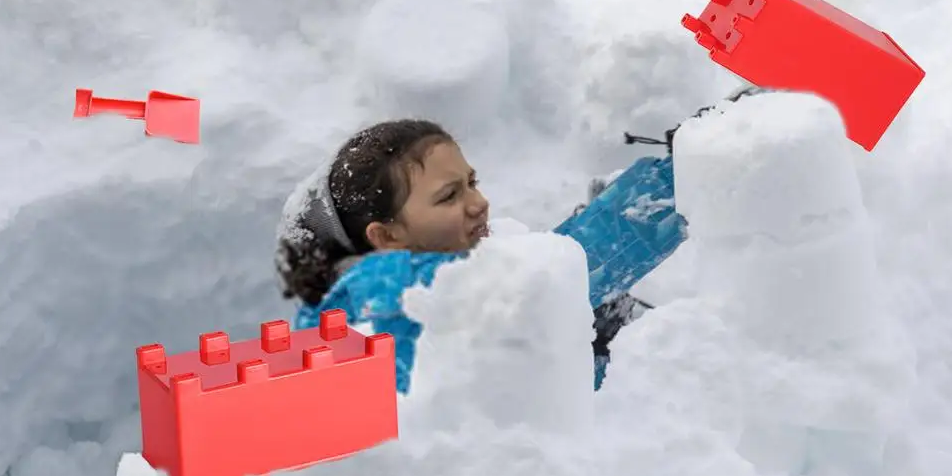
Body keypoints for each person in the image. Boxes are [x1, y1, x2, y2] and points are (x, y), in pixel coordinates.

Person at [274, 116, 689, 394]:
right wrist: (686, 173)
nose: (479, 203)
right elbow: (581, 258)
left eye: (472, 183)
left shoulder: (380, 298)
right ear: (386, 235)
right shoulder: (395, 309)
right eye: (449, 196)